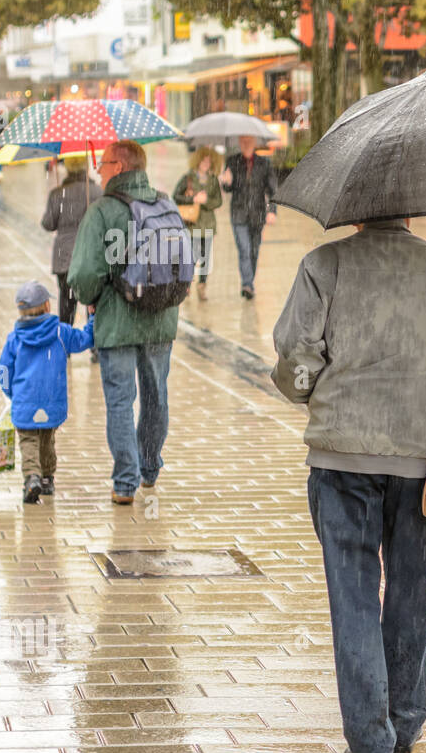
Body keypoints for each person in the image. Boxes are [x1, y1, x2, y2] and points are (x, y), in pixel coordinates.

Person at [271, 219, 426, 753]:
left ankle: (370, 742)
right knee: (409, 588)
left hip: (340, 457)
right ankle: (404, 721)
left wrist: (313, 393)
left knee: (352, 593)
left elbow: (295, 359)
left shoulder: (323, 266)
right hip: (417, 459)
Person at [67, 140, 180, 505]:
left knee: (120, 401)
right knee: (156, 396)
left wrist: (92, 298)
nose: (98, 169)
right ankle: (149, 468)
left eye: (103, 163)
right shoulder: (165, 202)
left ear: (119, 166)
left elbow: (84, 274)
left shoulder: (102, 210)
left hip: (117, 321)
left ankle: (125, 481)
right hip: (161, 317)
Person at [0, 281, 94, 503]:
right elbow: (86, 339)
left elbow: (2, 371)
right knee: (47, 439)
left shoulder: (15, 339)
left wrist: (12, 393)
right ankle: (48, 478)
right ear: (47, 307)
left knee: (28, 440)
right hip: (52, 402)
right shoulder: (61, 332)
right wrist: (94, 318)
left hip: (24, 402)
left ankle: (32, 478)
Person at [41, 156, 103, 327]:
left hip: (65, 258)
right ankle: (95, 347)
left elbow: (48, 224)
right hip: (91, 258)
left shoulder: (58, 193)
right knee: (93, 305)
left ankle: (65, 347)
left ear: (67, 168)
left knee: (66, 306)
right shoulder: (97, 192)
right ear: (87, 167)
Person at [220, 135, 278, 299]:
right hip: (238, 214)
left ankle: (249, 281)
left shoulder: (264, 163)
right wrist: (226, 182)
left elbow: (272, 189)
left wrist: (272, 211)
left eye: (249, 141)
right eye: (243, 141)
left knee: (254, 250)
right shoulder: (232, 161)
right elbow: (228, 188)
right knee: (244, 250)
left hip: (257, 214)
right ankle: (247, 284)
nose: (246, 144)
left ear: (254, 143)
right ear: (239, 142)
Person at [173, 147, 224, 301]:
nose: (206, 164)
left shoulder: (213, 179)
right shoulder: (188, 178)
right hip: (191, 224)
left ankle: (202, 286)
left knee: (206, 258)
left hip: (208, 225)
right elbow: (176, 196)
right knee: (191, 257)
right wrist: (193, 199)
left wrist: (206, 201)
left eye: (209, 161)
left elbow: (218, 201)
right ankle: (187, 284)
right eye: (203, 160)